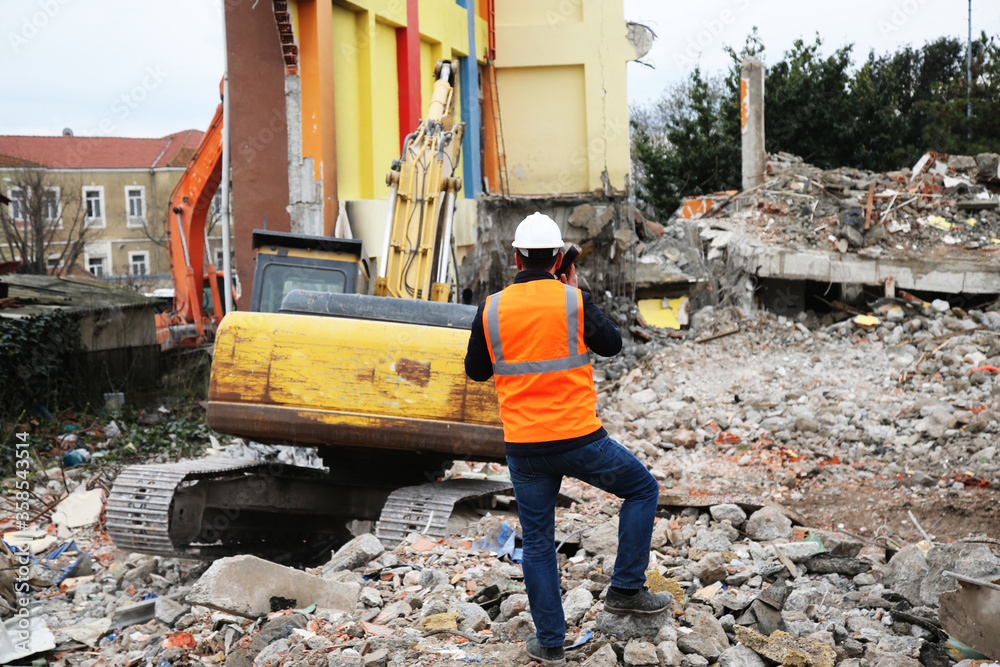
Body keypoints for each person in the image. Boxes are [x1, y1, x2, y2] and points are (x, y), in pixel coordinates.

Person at [465, 212, 667, 667]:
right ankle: (625, 589)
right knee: (642, 489)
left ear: (515, 257)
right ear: (559, 258)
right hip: (579, 439)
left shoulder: (492, 308)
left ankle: (551, 644)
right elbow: (613, 344)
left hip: (524, 447)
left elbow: (476, 371)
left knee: (537, 540)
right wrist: (575, 291)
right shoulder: (573, 299)